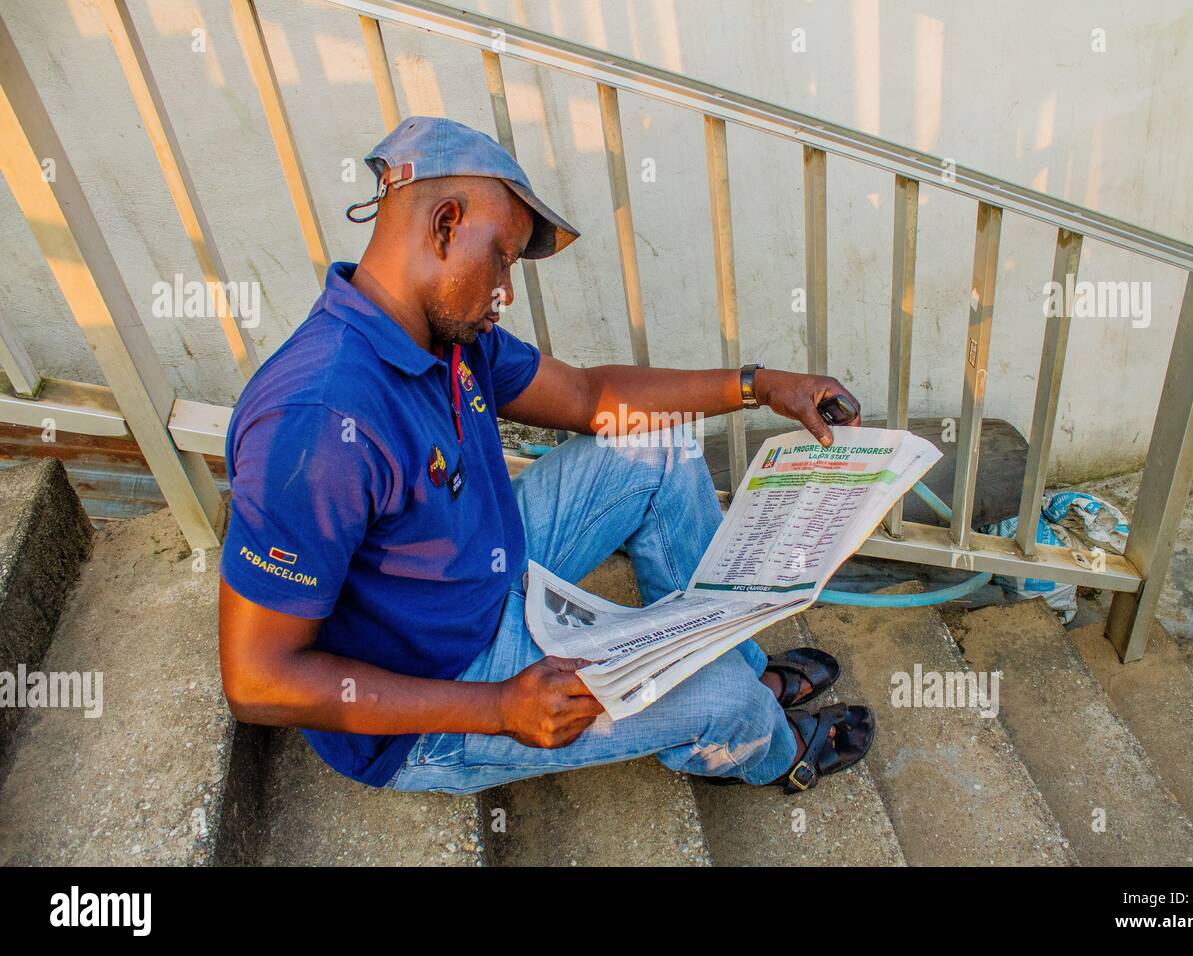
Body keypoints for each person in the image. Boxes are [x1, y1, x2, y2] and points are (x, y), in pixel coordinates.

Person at [218, 117, 875, 796]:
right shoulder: (317, 421)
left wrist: (759, 386)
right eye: (502, 257)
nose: (505, 290)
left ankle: (738, 663)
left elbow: (593, 396)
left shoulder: (451, 338)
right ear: (445, 224)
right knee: (730, 708)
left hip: (489, 572)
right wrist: (500, 707)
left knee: (659, 443)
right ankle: (771, 748)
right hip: (443, 689)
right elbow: (257, 678)